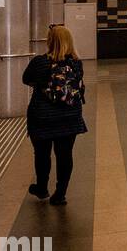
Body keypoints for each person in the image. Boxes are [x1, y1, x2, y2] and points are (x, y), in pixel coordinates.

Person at [22, 24, 87, 206]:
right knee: (65, 154)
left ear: (50, 41)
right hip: (70, 115)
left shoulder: (39, 62)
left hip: (42, 115)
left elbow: (26, 79)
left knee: (42, 154)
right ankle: (60, 194)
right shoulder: (76, 63)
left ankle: (42, 188)